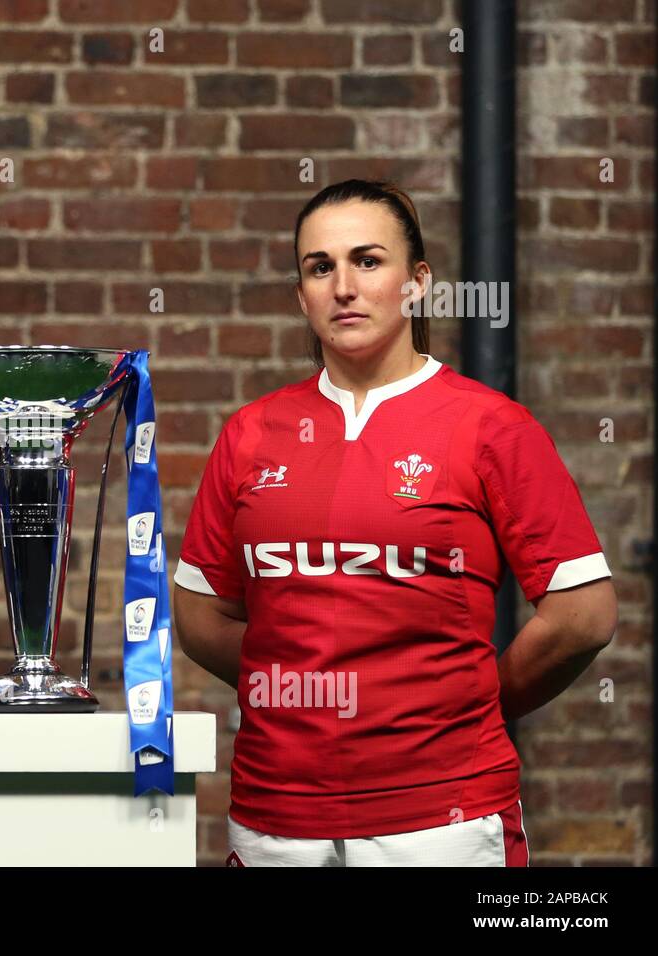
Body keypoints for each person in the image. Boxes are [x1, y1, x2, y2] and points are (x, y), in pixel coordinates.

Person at [172, 179, 616, 867]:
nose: (343, 285)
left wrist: (462, 700)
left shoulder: (490, 427)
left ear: (417, 283)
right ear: (302, 295)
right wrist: (301, 682)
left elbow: (583, 615)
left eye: (367, 261)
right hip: (275, 816)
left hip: (442, 821)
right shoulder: (251, 435)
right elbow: (201, 616)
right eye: (320, 267)